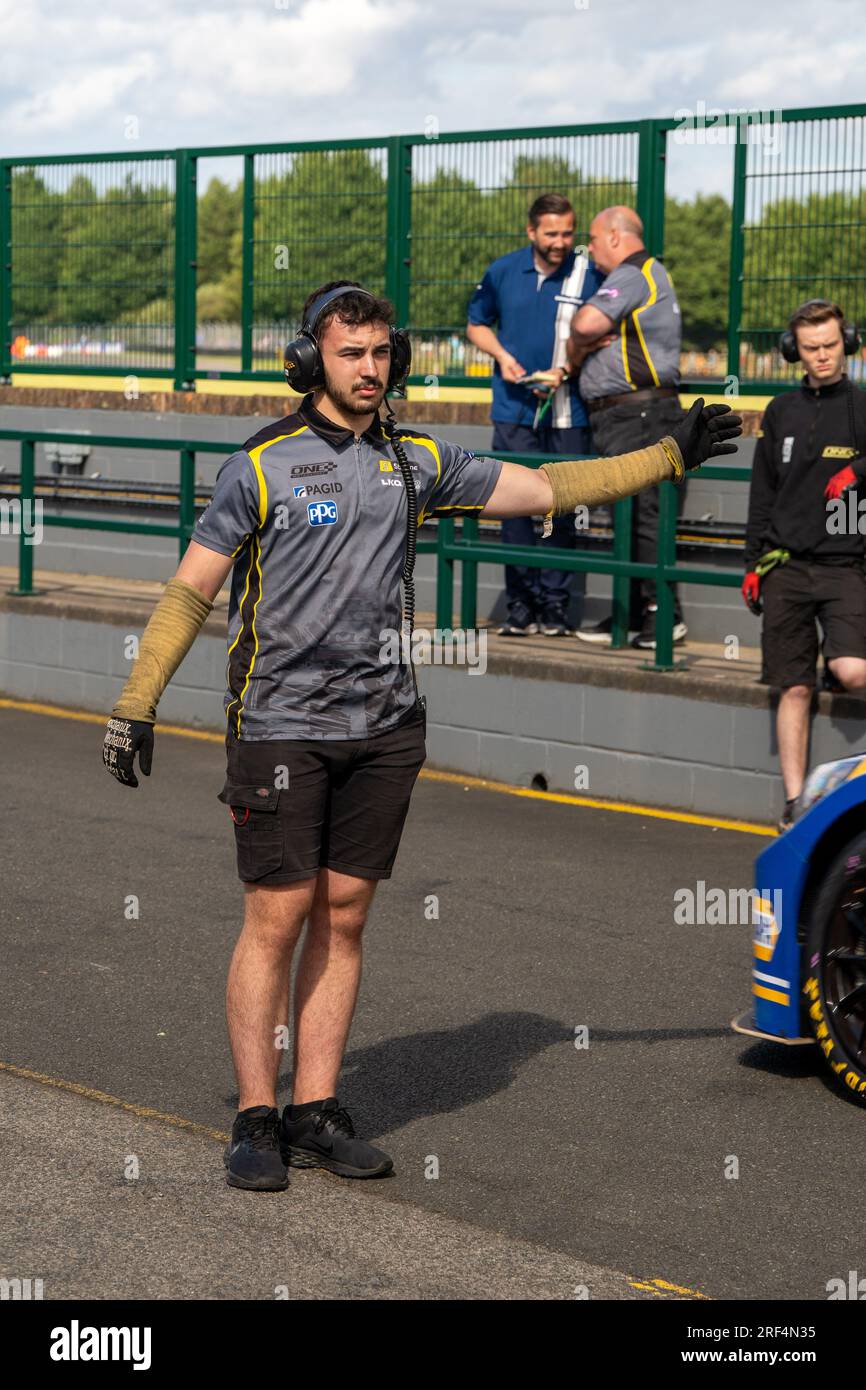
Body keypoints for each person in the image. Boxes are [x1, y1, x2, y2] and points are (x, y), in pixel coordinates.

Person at [101, 279, 741, 1191]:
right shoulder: (262, 463)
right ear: (309, 360)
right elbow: (188, 592)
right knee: (277, 917)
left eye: (379, 353)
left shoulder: (418, 461)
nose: (368, 369)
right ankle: (255, 1116)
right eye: (349, 352)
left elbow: (547, 484)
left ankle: (316, 1109)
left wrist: (665, 456)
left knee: (347, 914)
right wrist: (136, 702)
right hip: (281, 727)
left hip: (387, 726)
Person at [743, 298, 866, 832]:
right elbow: (762, 492)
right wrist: (754, 565)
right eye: (811, 348)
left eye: (831, 346)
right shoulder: (780, 412)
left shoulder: (862, 406)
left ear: (849, 343)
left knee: (850, 670)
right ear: (795, 351)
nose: (822, 357)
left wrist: (860, 469)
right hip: (786, 567)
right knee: (793, 686)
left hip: (846, 564)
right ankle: (795, 805)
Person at [466, 194, 607, 636]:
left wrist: (566, 370)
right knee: (513, 511)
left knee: (563, 508)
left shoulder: (591, 274)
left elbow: (602, 335)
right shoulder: (502, 270)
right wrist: (504, 358)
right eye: (551, 233)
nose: (560, 242)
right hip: (512, 412)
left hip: (570, 415)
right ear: (531, 232)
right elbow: (476, 324)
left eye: (568, 232)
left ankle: (554, 609)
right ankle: (520, 608)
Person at [567, 206, 688, 649]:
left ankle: (662, 618)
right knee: (629, 515)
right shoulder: (640, 274)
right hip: (625, 416)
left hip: (641, 415)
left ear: (616, 237)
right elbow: (581, 340)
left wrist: (583, 338)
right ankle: (633, 613)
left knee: (645, 515)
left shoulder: (633, 272)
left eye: (594, 241)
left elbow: (583, 325)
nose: (591, 250)